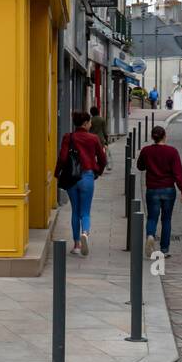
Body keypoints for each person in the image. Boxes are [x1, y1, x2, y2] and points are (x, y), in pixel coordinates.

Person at [56, 110, 107, 256]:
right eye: (89, 122)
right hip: (87, 176)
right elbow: (102, 159)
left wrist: (56, 173)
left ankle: (77, 244)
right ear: (85, 123)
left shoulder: (68, 137)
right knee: (85, 212)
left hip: (72, 178)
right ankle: (85, 232)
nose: (91, 124)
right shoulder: (93, 138)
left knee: (75, 211)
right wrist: (98, 171)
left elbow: (63, 158)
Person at [138, 125, 182, 257]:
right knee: (166, 220)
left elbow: (140, 166)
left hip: (152, 189)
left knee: (152, 217)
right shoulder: (172, 151)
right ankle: (164, 250)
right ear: (165, 136)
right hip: (168, 190)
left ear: (152, 137)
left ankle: (150, 236)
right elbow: (178, 173)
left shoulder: (146, 151)